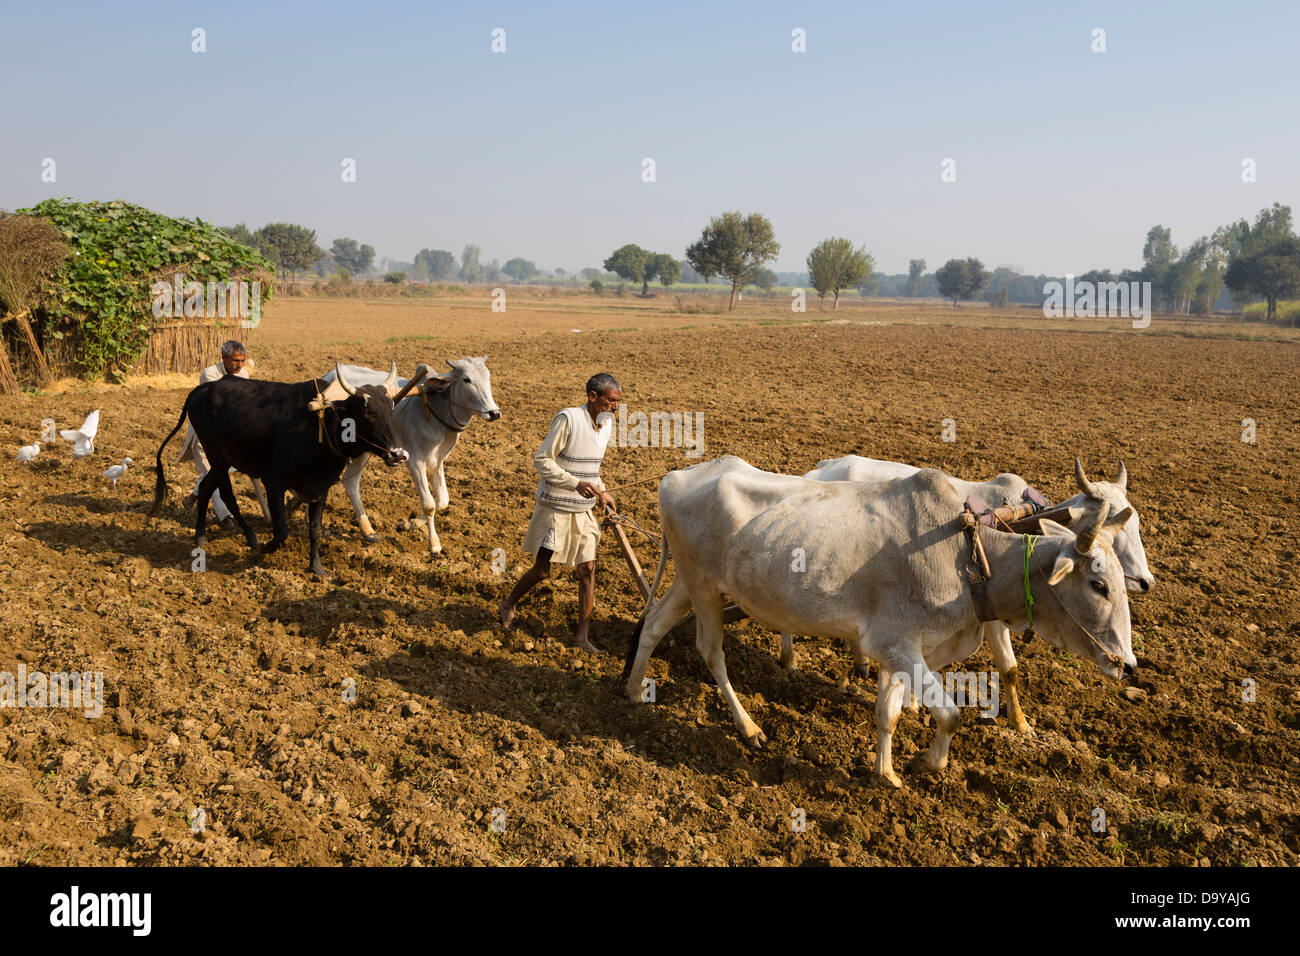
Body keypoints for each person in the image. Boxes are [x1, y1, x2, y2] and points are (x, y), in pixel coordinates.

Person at [499, 373, 621, 653]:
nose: (616, 407)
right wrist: (575, 484)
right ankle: (508, 603)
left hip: (584, 510)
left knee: (587, 570)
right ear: (593, 397)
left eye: (617, 402)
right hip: (557, 506)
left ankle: (581, 638)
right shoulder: (568, 419)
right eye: (611, 401)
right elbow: (542, 460)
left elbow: (591, 466)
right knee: (542, 571)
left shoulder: (605, 425)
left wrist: (602, 490)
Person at [178, 340, 269, 528]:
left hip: (229, 435)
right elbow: (219, 406)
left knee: (215, 471)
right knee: (218, 475)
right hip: (206, 436)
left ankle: (191, 498)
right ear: (224, 358)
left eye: (242, 360)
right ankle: (226, 517)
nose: (240, 365)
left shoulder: (243, 374)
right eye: (236, 360)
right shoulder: (210, 375)